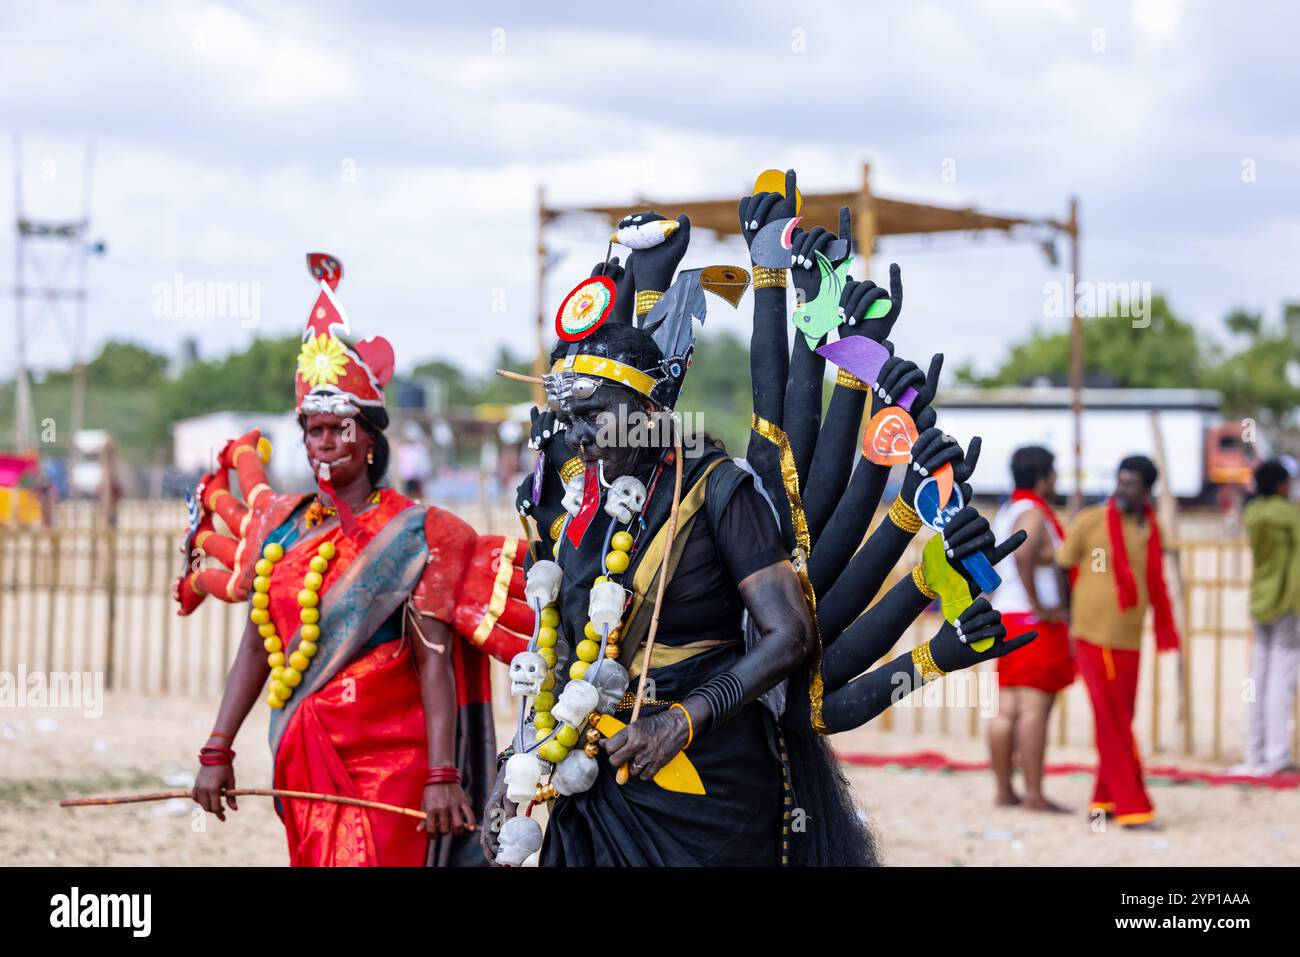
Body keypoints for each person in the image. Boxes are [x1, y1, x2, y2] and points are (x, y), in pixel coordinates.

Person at [486, 170, 1036, 867]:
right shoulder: (577, 512)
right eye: (570, 418)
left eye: (594, 413)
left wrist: (682, 720)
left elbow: (788, 636)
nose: (580, 432)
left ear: (649, 411)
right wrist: (519, 763)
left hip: (704, 786)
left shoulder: (718, 488)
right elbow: (562, 654)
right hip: (590, 784)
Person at [176, 253, 530, 865]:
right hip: (301, 757)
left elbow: (434, 661)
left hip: (392, 765)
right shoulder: (279, 529)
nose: (326, 442)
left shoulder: (415, 533)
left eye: (340, 428)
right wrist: (217, 748)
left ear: (371, 439)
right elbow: (259, 645)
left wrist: (443, 772)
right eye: (313, 429)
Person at [1056, 455, 1180, 829]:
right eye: (1121, 480)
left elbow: (1154, 577)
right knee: (1112, 720)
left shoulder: (1150, 526)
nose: (1123, 488)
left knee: (1120, 719)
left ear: (1147, 490)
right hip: (1094, 634)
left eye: (1132, 484)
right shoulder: (1092, 520)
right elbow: (1063, 565)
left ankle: (1104, 800)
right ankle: (1133, 807)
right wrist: (1067, 615)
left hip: (1129, 637)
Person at [986, 446, 1073, 811]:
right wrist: (1040, 606)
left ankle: (1006, 790)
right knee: (1035, 708)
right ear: (1044, 477)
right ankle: (1035, 794)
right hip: (1032, 618)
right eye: (1053, 473)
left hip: (1007, 613)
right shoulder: (1034, 512)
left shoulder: (1008, 511)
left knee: (1007, 709)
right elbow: (1024, 555)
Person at [1234, 459, 1300, 775]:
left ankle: (1254, 753)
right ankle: (1277, 755)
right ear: (1281, 485)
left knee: (1257, 678)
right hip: (1287, 601)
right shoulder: (1289, 515)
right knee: (1280, 681)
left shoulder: (1254, 513)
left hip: (1260, 599)